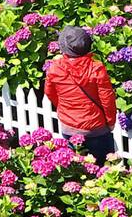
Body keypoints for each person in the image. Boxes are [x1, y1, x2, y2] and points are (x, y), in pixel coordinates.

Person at [44, 26, 117, 166]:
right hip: (96, 127)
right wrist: (110, 121)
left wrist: (65, 109)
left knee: (75, 167)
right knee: (103, 168)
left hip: (69, 127)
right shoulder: (97, 68)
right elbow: (107, 99)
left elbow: (50, 93)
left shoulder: (55, 68)